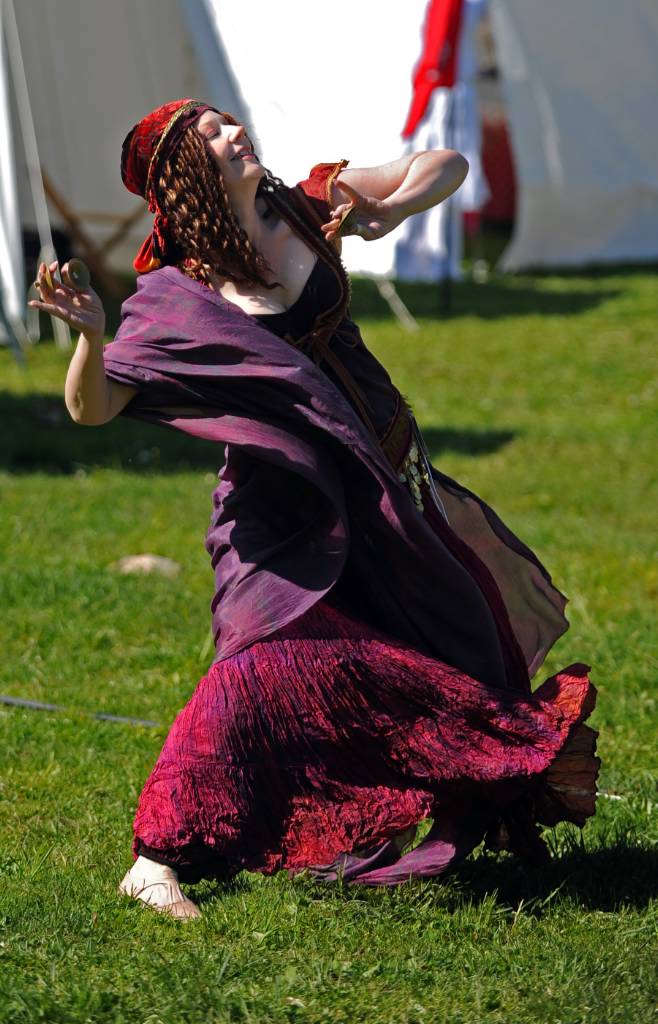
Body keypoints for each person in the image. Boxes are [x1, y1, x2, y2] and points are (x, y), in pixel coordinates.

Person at [31, 99, 599, 921]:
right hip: (282, 509)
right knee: (257, 669)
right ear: (191, 173)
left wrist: (386, 209)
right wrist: (89, 335)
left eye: (231, 122)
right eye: (216, 134)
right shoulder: (177, 293)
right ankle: (155, 857)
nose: (238, 132)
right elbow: (96, 407)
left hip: (380, 484)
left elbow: (446, 164)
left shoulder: (302, 202)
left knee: (433, 646)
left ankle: (408, 802)